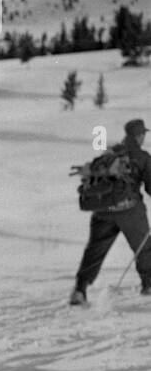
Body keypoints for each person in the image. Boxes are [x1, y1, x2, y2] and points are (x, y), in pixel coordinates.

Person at [71, 118, 151, 304]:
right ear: (139, 135)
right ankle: (149, 285)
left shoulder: (110, 154)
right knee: (145, 247)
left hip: (103, 210)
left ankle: (80, 289)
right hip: (130, 211)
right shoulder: (142, 157)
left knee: (95, 250)